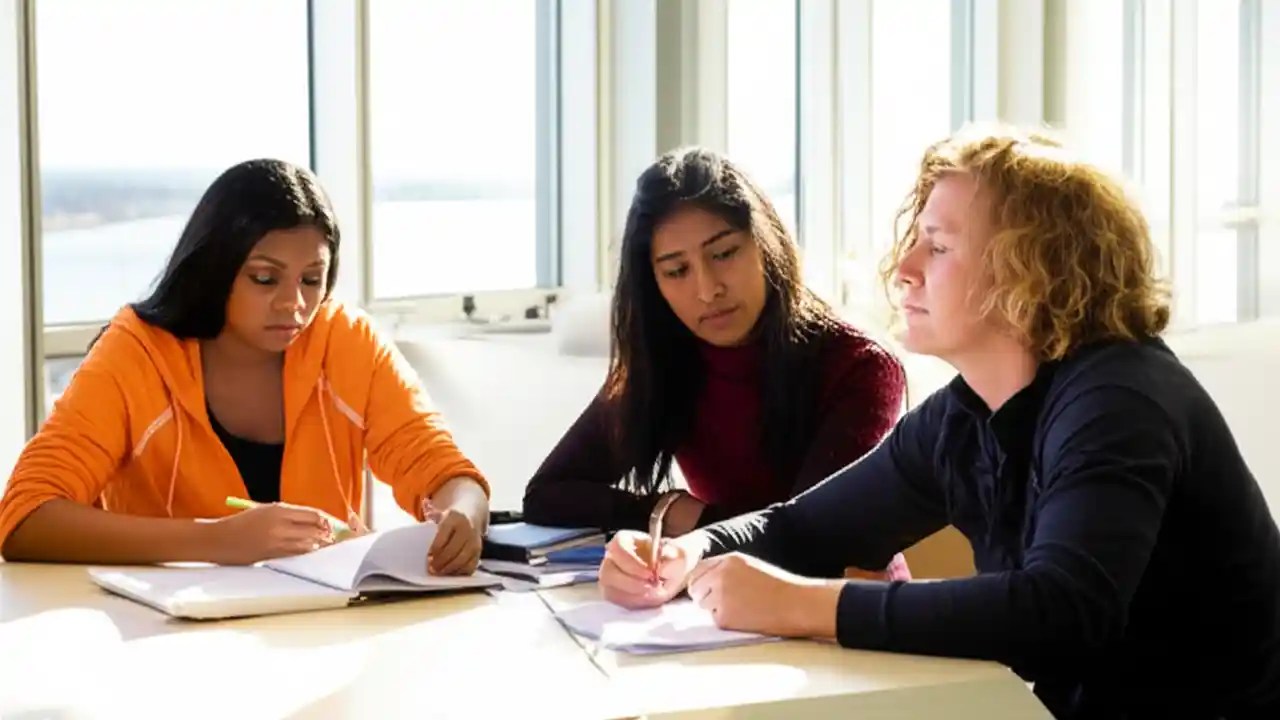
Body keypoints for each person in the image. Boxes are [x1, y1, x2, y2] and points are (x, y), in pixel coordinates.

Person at [598, 126, 1280, 718]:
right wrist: (688, 553)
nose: (905, 268)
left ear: (1033, 271)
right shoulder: (963, 415)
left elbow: (1063, 612)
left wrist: (802, 606)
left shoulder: (1119, 399)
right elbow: (804, 526)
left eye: (939, 246)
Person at [0, 159, 490, 575]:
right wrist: (215, 541)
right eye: (264, 278)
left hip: (320, 631)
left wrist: (465, 513)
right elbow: (25, 519)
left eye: (312, 279)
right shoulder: (136, 352)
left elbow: (442, 469)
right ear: (216, 269)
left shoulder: (346, 340)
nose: (293, 303)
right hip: (161, 640)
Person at [522, 148, 909, 579]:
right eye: (676, 271)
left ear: (767, 246)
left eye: (723, 253)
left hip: (848, 618)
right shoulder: (668, 360)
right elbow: (546, 496)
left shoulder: (859, 366)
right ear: (654, 286)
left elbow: (807, 545)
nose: (707, 290)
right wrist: (667, 509)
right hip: (722, 610)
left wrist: (694, 527)